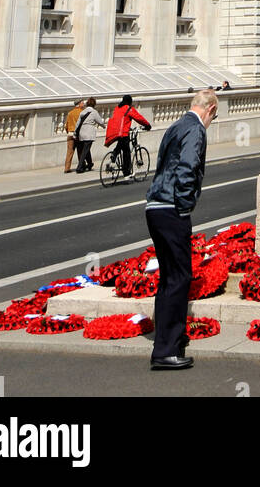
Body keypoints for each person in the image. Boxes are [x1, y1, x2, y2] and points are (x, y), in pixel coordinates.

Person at [145, 88, 219, 370]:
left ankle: (166, 339)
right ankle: (166, 350)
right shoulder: (196, 130)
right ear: (210, 109)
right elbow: (187, 166)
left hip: (155, 206)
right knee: (179, 277)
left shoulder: (176, 125)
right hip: (171, 208)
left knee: (168, 279)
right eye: (214, 116)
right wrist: (185, 204)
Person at [108, 94, 152, 179]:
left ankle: (114, 155)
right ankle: (127, 173)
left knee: (120, 145)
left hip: (115, 131)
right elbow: (139, 118)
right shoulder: (129, 109)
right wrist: (147, 125)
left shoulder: (117, 108)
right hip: (123, 132)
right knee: (126, 152)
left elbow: (121, 119)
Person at [74, 97, 105, 172]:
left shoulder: (83, 112)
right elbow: (100, 122)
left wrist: (75, 133)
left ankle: (90, 163)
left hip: (82, 132)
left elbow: (78, 124)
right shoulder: (94, 112)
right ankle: (79, 167)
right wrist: (104, 126)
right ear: (94, 104)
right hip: (89, 133)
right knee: (85, 150)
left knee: (86, 149)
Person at [64, 98, 84, 174]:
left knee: (69, 152)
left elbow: (66, 125)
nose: (84, 104)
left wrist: (68, 131)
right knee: (80, 151)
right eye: (82, 103)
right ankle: (81, 166)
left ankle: (67, 168)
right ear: (79, 104)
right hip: (78, 134)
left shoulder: (70, 113)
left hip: (70, 134)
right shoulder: (81, 112)